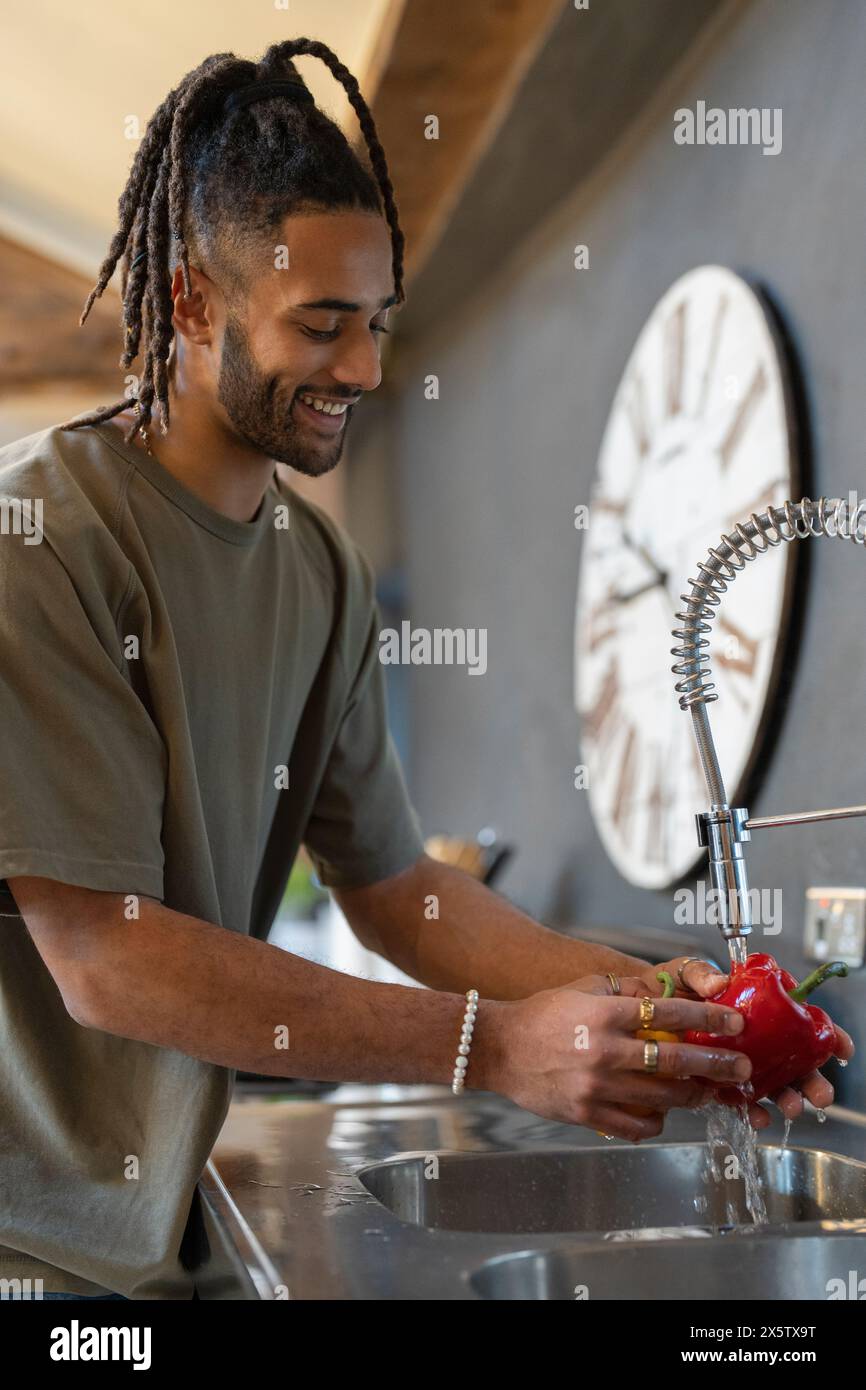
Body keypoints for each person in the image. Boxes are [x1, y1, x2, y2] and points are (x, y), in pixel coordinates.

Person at [0, 38, 852, 1302]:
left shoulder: (321, 573)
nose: (364, 368)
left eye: (378, 322)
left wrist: (661, 1007)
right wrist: (493, 1045)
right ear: (189, 302)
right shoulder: (43, 540)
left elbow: (401, 889)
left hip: (160, 1227)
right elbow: (105, 955)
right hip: (33, 1252)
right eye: (321, 324)